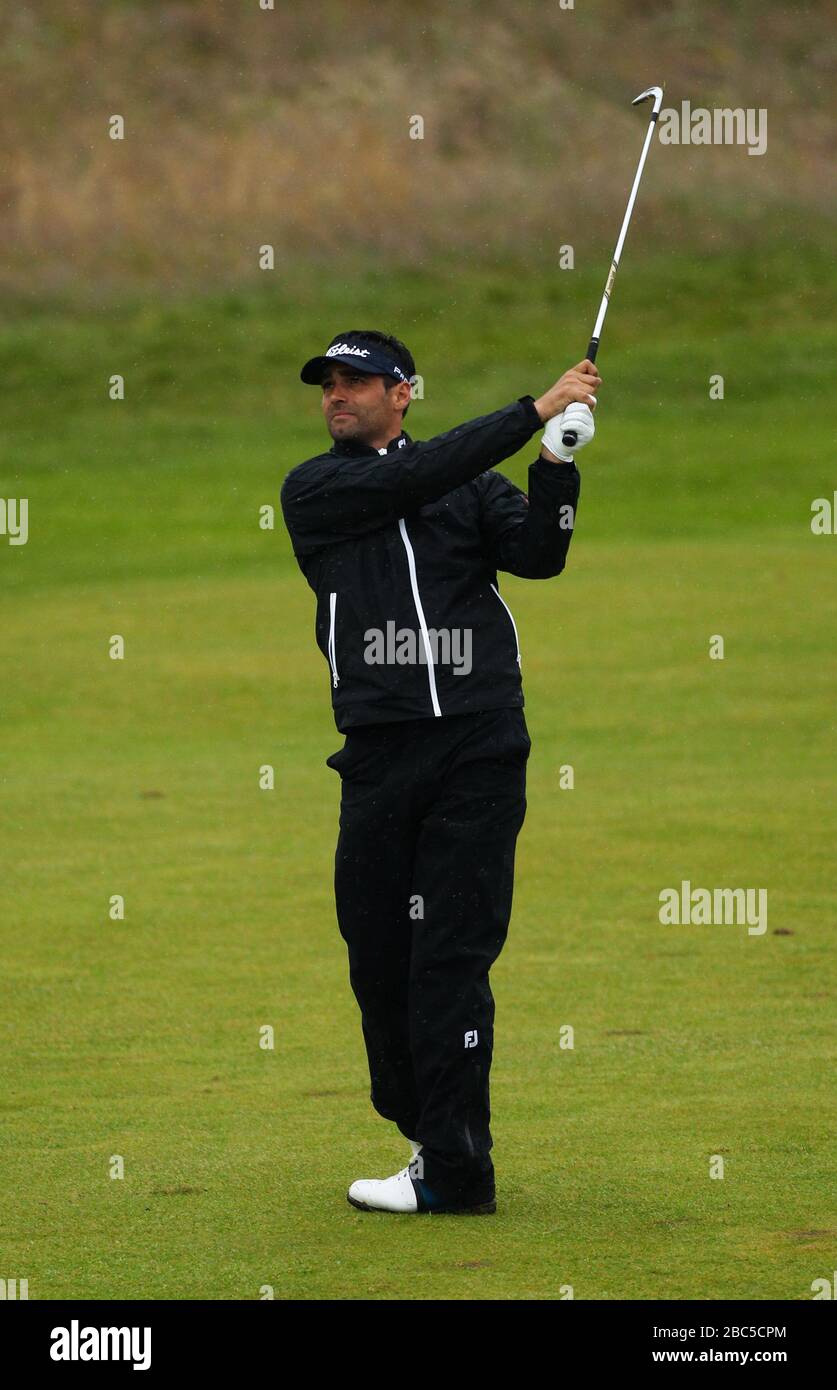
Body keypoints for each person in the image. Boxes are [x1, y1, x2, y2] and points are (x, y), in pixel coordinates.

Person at [280, 330, 600, 1214]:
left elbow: (540, 554)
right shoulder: (318, 489)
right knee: (378, 960)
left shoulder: (466, 481)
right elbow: (406, 481)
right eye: (328, 384)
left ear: (403, 392)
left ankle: (457, 1171)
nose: (336, 395)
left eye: (355, 381)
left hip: (477, 745)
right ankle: (427, 1133)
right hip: (379, 756)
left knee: (450, 961)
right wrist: (528, 409)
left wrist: (556, 462)